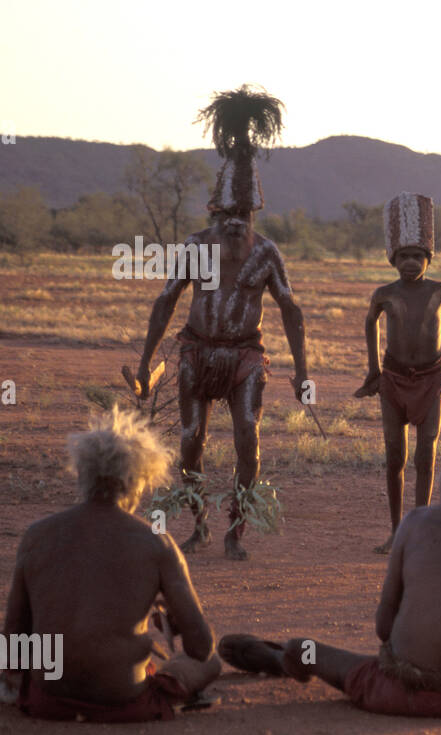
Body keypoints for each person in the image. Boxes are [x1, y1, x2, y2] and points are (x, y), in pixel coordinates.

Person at [218, 426, 441, 718]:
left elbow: (383, 629)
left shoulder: (416, 523)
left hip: (396, 692)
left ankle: (285, 658)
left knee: (306, 648)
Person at [137, 86, 308, 561]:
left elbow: (291, 312)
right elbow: (166, 300)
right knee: (191, 439)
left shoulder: (267, 252)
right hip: (195, 351)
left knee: (247, 435)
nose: (235, 221)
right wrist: (146, 363)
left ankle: (236, 529)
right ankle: (199, 525)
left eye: (243, 213)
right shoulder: (196, 246)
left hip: (245, 356)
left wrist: (304, 372)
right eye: (227, 212)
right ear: (213, 210)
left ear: (254, 212)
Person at [2, 408, 220, 722]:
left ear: (81, 474)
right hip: (123, 702)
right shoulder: (156, 543)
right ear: (139, 481)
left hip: (48, 700)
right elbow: (200, 647)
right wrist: (175, 619)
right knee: (210, 662)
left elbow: (12, 647)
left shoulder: (36, 536)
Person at [355, 192, 441, 554]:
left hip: (431, 378)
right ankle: (396, 531)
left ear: (428, 259)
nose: (409, 263)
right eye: (403, 256)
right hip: (392, 379)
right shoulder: (384, 293)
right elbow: (370, 323)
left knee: (426, 454)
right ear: (393, 259)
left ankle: (419, 529)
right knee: (394, 456)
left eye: (417, 256)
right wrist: (373, 370)